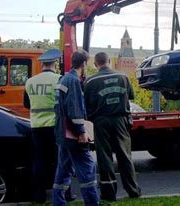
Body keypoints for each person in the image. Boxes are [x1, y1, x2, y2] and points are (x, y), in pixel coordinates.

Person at [84, 52, 141, 201]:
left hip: (100, 122)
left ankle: (109, 193)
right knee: (125, 156)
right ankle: (133, 190)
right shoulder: (123, 77)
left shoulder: (90, 81)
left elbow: (87, 105)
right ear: (109, 61)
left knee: (104, 157)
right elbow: (130, 96)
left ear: (95, 64)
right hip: (121, 120)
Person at [24, 49, 76, 203]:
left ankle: (39, 195)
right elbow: (67, 103)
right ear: (55, 63)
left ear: (42, 64)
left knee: (39, 160)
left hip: (36, 125)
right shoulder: (60, 80)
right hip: (55, 126)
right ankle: (65, 194)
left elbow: (26, 104)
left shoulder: (30, 81)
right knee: (61, 161)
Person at [53, 50, 99, 206]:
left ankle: (58, 202)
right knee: (87, 168)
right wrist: (81, 131)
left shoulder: (63, 79)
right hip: (73, 135)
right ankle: (92, 203)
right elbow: (75, 109)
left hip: (62, 133)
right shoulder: (73, 81)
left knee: (63, 171)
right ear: (84, 63)